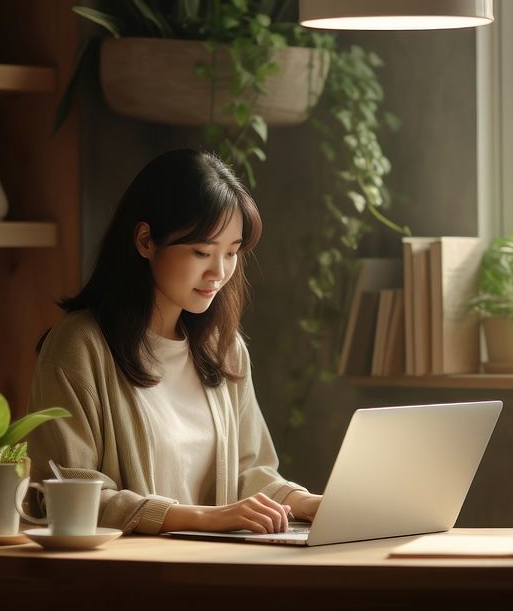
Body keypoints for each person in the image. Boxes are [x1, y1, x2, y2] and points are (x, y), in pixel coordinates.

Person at [27, 148, 320, 535]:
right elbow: (64, 494)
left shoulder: (225, 350)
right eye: (202, 251)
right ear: (146, 241)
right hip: (129, 580)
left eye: (231, 253)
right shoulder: (79, 348)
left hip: (216, 572)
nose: (219, 272)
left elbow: (251, 474)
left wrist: (308, 503)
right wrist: (202, 517)